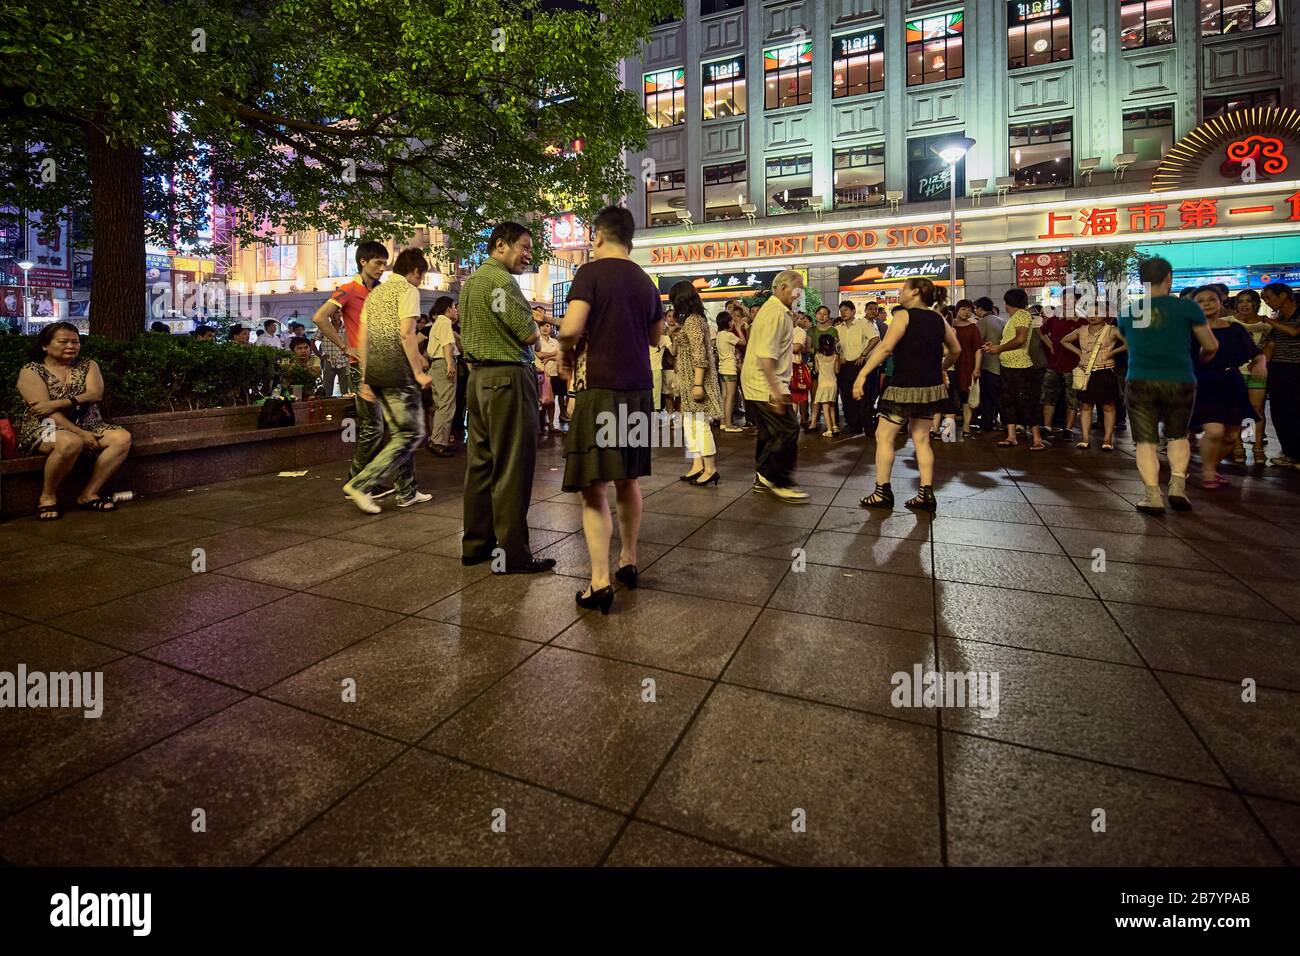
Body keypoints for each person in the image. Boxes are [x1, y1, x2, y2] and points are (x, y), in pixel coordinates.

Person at [557, 205, 663, 614]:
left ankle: (599, 582)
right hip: (637, 391)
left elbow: (570, 328)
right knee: (628, 480)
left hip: (600, 390)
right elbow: (656, 338)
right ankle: (629, 559)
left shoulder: (590, 272)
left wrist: (566, 344)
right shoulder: (645, 281)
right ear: (630, 239)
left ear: (598, 237)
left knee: (594, 487)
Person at [460, 222, 554, 574]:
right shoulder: (501, 280)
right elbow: (529, 334)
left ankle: (475, 545)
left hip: (479, 380)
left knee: (481, 465)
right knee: (513, 466)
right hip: (508, 378)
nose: (529, 255)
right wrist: (535, 326)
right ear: (500, 245)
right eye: (524, 247)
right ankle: (513, 553)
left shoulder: (472, 283)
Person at [1119, 257, 1219, 513]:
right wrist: (1200, 360)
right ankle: (1177, 486)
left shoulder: (1128, 312)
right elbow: (1210, 346)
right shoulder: (1187, 309)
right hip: (1180, 379)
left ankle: (1152, 496)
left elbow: (1130, 347)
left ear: (1142, 281)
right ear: (1169, 278)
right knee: (1177, 434)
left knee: (1145, 441)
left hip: (1140, 380)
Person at [854, 279, 960, 513]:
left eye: (903, 289)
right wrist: (942, 369)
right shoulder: (938, 318)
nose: (900, 293)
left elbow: (885, 348)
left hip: (903, 386)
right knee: (921, 439)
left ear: (914, 292)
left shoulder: (903, 315)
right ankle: (926, 494)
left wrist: (862, 374)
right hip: (930, 389)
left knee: (884, 437)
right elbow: (956, 350)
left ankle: (882, 492)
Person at [341, 248, 433, 513]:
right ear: (415, 271)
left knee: (399, 433)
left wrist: (366, 379)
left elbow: (364, 338)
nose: (421, 282)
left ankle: (407, 491)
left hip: (376, 372)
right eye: (421, 276)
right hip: (398, 371)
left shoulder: (377, 293)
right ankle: (362, 483)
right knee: (411, 433)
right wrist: (417, 372)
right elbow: (407, 334)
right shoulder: (408, 290)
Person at [15, 322, 133, 519]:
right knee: (70, 442)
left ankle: (89, 494)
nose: (71, 346)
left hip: (90, 424)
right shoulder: (31, 371)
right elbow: (44, 411)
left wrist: (58, 402)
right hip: (45, 426)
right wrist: (80, 432)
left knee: (122, 438)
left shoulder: (88, 365)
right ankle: (47, 497)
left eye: (75, 342)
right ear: (45, 345)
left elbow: (95, 393)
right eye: (63, 341)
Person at [311, 240, 393, 498]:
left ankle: (367, 479)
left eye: (384, 264)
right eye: (378, 263)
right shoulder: (347, 290)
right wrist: (345, 346)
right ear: (363, 262)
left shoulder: (381, 291)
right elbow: (320, 318)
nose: (382, 268)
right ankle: (356, 481)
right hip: (362, 367)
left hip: (382, 364)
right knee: (373, 426)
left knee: (382, 426)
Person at [741, 270, 810, 502]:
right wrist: (777, 391)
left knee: (770, 432)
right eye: (797, 288)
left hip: (759, 382)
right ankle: (780, 481)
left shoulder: (778, 312)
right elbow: (765, 356)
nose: (800, 293)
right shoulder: (775, 314)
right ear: (782, 288)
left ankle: (763, 476)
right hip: (764, 384)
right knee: (788, 429)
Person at [1188, 285, 1264, 488]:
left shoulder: (1235, 328)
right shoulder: (1191, 330)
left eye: (1211, 299)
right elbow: (1189, 360)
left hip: (1232, 382)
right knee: (1214, 431)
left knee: (1231, 437)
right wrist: (1204, 355)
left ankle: (1210, 466)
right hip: (1204, 383)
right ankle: (1208, 473)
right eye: (1200, 301)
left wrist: (1260, 363)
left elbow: (1255, 352)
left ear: (1221, 301)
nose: (1206, 303)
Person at [669, 280, 722, 486]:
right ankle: (697, 465)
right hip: (689, 380)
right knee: (690, 423)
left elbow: (700, 355)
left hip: (696, 381)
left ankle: (710, 468)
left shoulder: (693, 321)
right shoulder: (691, 320)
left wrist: (698, 384)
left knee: (700, 424)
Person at [983, 289, 1046, 450]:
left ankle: (1037, 438)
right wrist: (996, 347)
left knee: (1025, 400)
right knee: (1008, 401)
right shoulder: (1013, 318)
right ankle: (1011, 436)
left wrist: (999, 348)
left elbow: (1020, 339)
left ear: (1007, 302)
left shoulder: (1023, 315)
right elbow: (1011, 339)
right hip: (1007, 366)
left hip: (1020, 366)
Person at [1061, 311, 1126, 451]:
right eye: (1090, 313)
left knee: (1108, 406)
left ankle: (1108, 439)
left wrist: (1113, 352)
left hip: (1105, 370)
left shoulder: (1112, 330)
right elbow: (1064, 340)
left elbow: (1131, 343)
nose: (1093, 316)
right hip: (1086, 371)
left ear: (1105, 315)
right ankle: (1085, 438)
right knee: (1085, 406)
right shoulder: (1081, 330)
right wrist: (1079, 352)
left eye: (1097, 312)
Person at [1261, 283, 1300, 469]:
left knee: (1295, 412)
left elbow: (1294, 332)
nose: (1267, 302)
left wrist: (1267, 320)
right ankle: (1290, 453)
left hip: (1296, 369)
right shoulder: (1279, 318)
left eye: (1269, 298)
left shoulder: (1295, 315)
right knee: (1279, 413)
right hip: (1278, 370)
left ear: (1284, 295)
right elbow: (1271, 347)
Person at [1231, 288, 1270, 462]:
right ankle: (1238, 445)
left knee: (1257, 409)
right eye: (1240, 301)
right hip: (1234, 373)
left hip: (1258, 373)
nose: (1244, 305)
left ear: (1256, 303)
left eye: (1248, 301)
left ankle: (1257, 446)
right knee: (1235, 410)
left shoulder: (1267, 325)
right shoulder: (1226, 322)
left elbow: (1270, 348)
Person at [1038, 295, 1084, 441]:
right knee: (1048, 397)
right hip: (1054, 365)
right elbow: (1041, 331)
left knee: (1072, 399)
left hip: (1073, 366)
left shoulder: (1083, 320)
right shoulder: (1055, 318)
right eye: (1064, 299)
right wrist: (1050, 344)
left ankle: (1068, 429)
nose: (1066, 302)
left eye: (1071, 299)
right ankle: (1047, 427)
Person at [836, 300, 878, 435]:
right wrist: (838, 356)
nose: (843, 313)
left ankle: (868, 426)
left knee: (863, 396)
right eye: (841, 311)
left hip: (859, 366)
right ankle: (854, 425)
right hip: (844, 367)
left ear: (854, 311)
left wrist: (864, 354)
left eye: (846, 310)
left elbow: (875, 338)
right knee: (847, 397)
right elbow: (834, 346)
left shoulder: (862, 324)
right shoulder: (838, 329)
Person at [424, 295, 459, 457]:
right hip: (443, 363)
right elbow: (447, 345)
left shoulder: (437, 323)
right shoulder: (444, 322)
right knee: (446, 404)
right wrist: (450, 364)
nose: (456, 310)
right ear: (447, 309)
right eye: (454, 307)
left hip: (436, 365)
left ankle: (439, 440)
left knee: (440, 404)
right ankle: (438, 442)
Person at [951, 300, 985, 438]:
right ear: (957, 310)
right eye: (963, 309)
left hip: (967, 366)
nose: (967, 312)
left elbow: (978, 349)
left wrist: (977, 368)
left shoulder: (973, 328)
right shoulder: (949, 326)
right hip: (951, 366)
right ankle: (949, 428)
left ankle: (966, 427)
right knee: (950, 397)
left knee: (966, 398)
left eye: (969, 310)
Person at [974, 297, 1004, 432]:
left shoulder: (983, 322)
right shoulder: (1001, 321)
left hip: (988, 364)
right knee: (995, 395)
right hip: (1000, 364)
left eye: (976, 309)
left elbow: (977, 344)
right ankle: (990, 422)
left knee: (988, 396)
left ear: (980, 309)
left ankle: (991, 423)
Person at [715, 311, 746, 432]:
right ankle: (729, 424)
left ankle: (723, 422)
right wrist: (738, 329)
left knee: (724, 396)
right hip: (730, 369)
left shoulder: (719, 335)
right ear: (728, 322)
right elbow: (743, 342)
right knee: (730, 397)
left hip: (722, 368)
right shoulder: (728, 335)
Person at [814, 335, 842, 437]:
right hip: (833, 383)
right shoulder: (835, 357)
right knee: (832, 406)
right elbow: (837, 371)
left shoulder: (817, 356)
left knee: (825, 408)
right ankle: (834, 426)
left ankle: (829, 430)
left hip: (823, 384)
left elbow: (816, 370)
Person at [317, 314, 349, 398]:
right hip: (329, 361)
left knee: (346, 391)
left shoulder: (347, 326)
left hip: (344, 361)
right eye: (331, 313)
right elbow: (313, 341)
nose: (334, 315)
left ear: (341, 313)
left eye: (337, 312)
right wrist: (320, 356)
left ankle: (345, 408)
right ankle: (327, 408)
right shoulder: (324, 326)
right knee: (327, 390)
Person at [790, 312, 812, 429]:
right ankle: (793, 420)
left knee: (800, 393)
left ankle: (804, 418)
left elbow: (797, 348)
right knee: (791, 396)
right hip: (783, 367)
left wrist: (780, 345)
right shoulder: (781, 330)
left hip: (795, 365)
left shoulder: (800, 331)